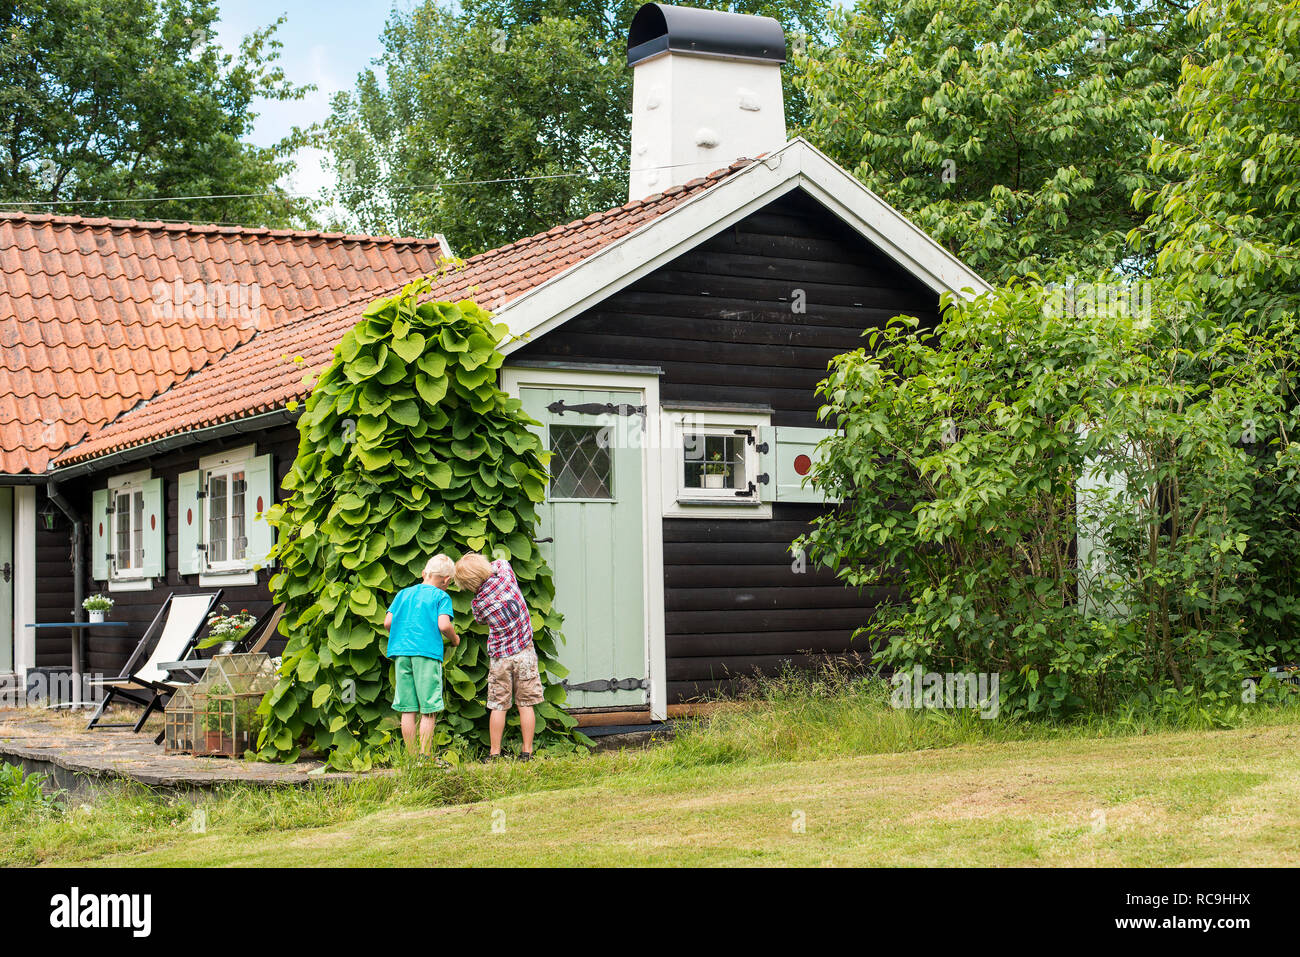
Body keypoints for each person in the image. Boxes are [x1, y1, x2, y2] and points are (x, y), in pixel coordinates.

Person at [453, 552, 543, 761]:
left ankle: (494, 753)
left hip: (501, 657)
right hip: (525, 652)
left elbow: (481, 620)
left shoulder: (479, 603)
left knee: (498, 705)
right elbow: (501, 561)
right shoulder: (505, 575)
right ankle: (526, 752)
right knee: (526, 704)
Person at [383, 554, 459, 756]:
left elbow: (387, 623)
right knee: (428, 709)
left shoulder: (403, 594)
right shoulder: (441, 596)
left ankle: (411, 756)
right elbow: (444, 624)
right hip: (426, 654)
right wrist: (454, 639)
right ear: (446, 581)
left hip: (401, 653)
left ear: (424, 573)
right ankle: (425, 757)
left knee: (408, 708)